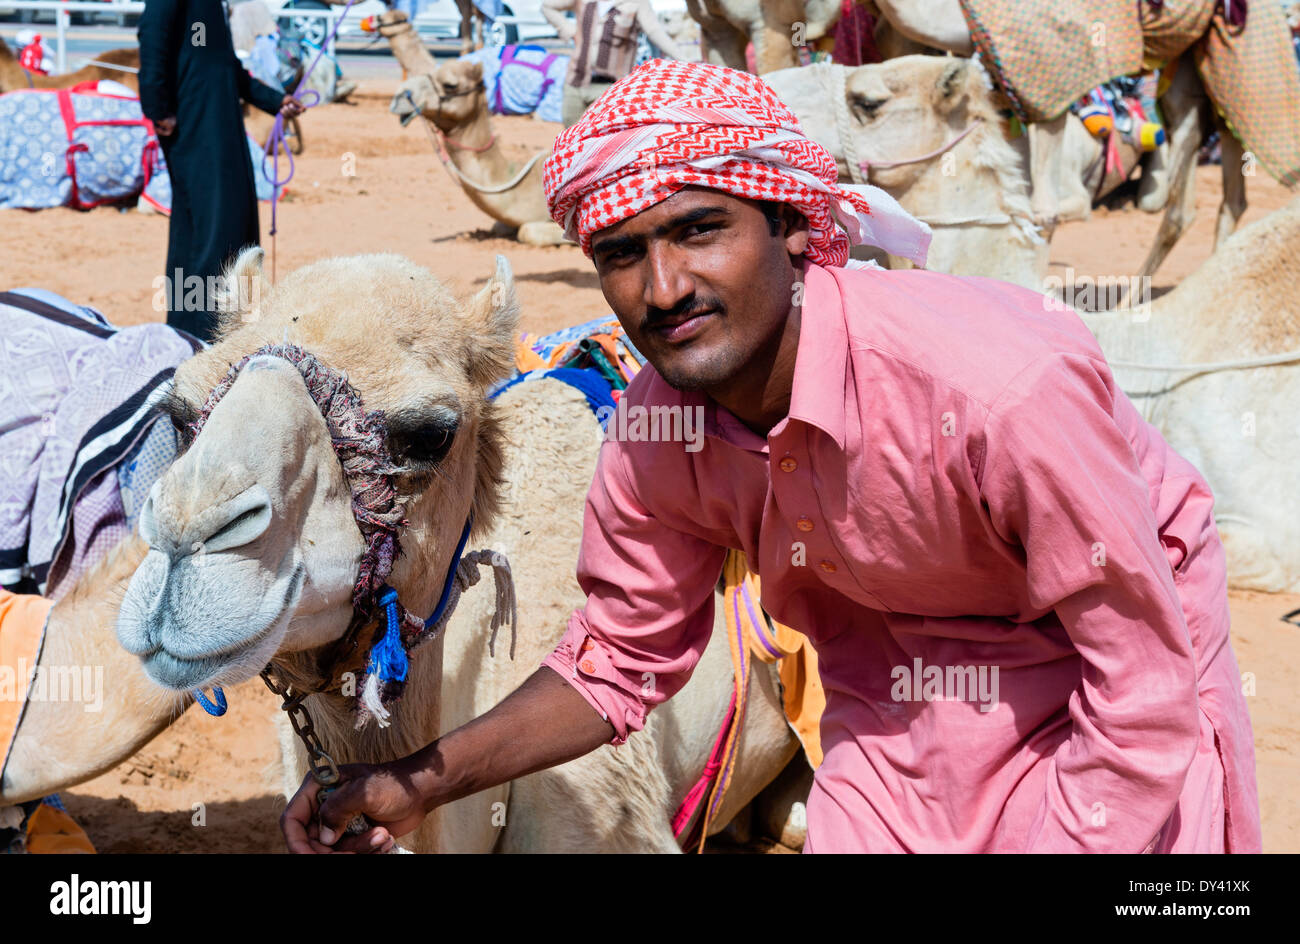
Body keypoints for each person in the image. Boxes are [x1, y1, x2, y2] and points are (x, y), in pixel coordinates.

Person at [280, 60, 1260, 854]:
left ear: (792, 228)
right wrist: (414, 781)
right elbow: (620, 656)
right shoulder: (661, 432)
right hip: (885, 671)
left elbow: (1139, 681)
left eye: (699, 230)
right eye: (621, 252)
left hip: (1116, 629)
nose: (663, 286)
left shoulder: (995, 390)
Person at [137, 0, 305, 343]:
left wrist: (275, 101)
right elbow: (152, 37)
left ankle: (217, 327)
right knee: (210, 231)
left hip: (221, 124)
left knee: (228, 225)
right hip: (194, 122)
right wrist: (158, 107)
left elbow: (225, 67)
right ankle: (201, 332)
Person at [541, 0, 687, 126]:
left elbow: (655, 32)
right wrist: (569, 31)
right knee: (571, 140)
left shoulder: (636, 3)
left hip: (610, 88)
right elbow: (547, 6)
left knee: (599, 142)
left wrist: (685, 61)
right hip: (576, 81)